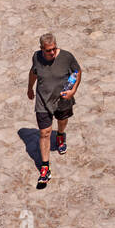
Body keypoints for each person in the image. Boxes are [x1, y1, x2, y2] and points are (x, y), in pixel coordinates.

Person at [27, 32, 81, 188]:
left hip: (62, 99)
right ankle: (45, 168)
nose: (51, 53)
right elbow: (33, 72)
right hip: (43, 101)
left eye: (53, 49)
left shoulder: (67, 57)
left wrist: (73, 91)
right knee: (44, 133)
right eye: (47, 50)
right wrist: (30, 88)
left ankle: (61, 135)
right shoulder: (36, 57)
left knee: (62, 121)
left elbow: (78, 72)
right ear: (41, 49)